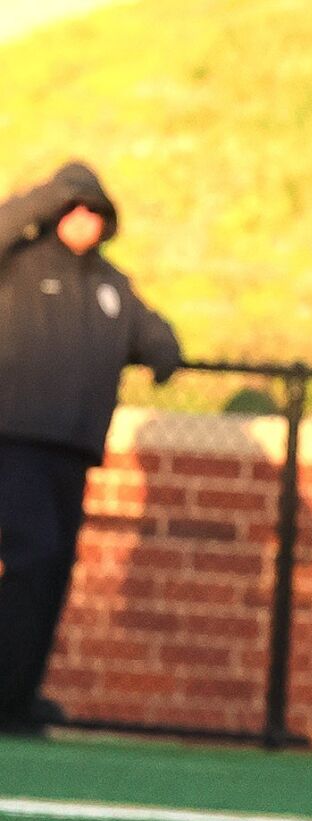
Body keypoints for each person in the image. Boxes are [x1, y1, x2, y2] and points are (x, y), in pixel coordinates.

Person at [0, 161, 181, 735]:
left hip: (73, 453)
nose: (82, 220)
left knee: (54, 570)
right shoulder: (17, 266)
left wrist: (165, 353)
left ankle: (18, 697)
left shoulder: (111, 286)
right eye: (72, 209)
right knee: (31, 559)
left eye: (93, 211)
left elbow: (157, 340)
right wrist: (53, 192)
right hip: (15, 445)